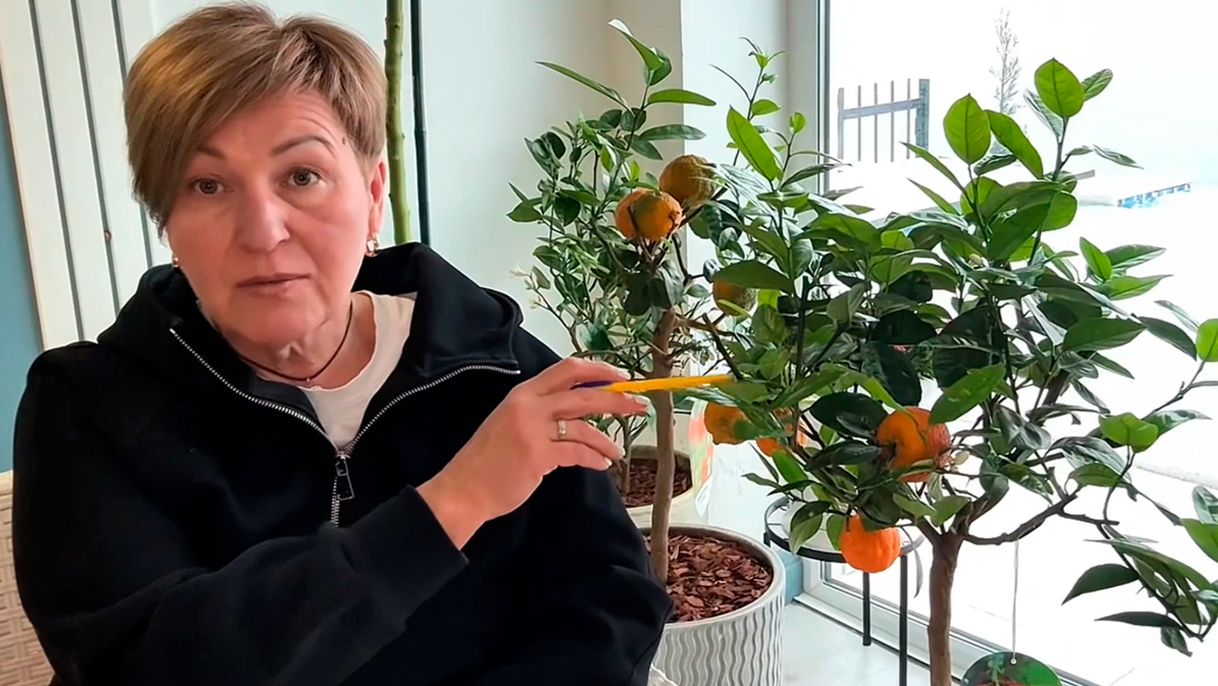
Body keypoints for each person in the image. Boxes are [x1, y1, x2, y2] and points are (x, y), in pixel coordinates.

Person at [11, 4, 672, 684]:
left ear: (373, 193)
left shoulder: (494, 365)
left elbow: (613, 607)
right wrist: (455, 501)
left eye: (302, 176)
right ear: (165, 218)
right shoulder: (87, 408)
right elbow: (140, 667)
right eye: (208, 185)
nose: (262, 231)